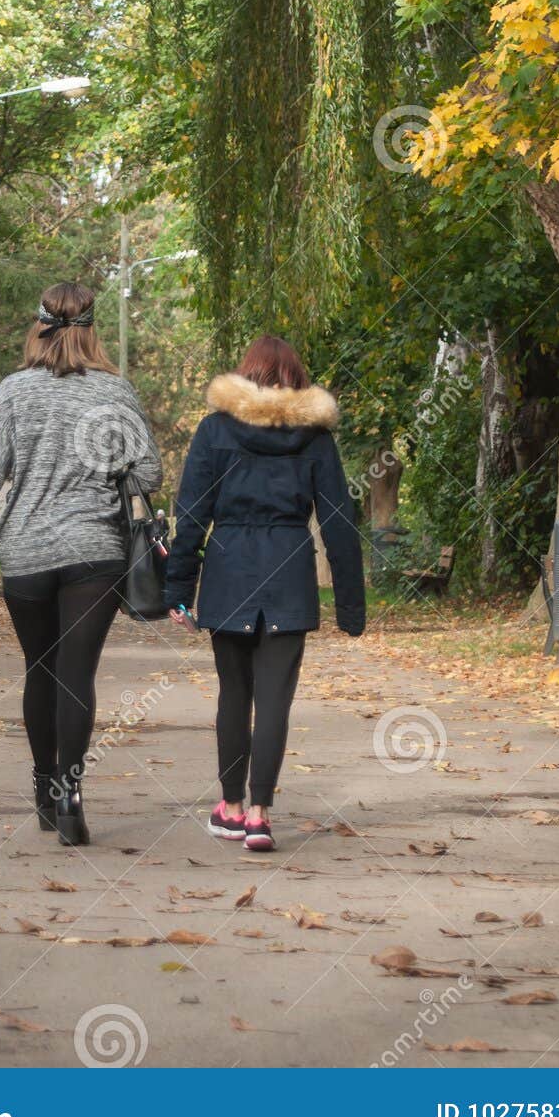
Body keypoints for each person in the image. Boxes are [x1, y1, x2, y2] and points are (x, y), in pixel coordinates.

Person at [0, 282, 161, 845]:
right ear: (93, 329)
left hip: (26, 552)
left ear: (37, 326)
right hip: (95, 551)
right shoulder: (116, 392)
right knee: (76, 675)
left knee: (39, 670)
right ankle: (71, 793)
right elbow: (149, 476)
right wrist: (106, 464)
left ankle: (43, 788)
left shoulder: (13, 392)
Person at [166, 335, 365, 851]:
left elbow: (191, 516)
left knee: (235, 694)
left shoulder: (214, 431)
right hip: (289, 572)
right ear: (295, 381)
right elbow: (339, 522)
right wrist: (350, 605)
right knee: (275, 699)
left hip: (229, 569)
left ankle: (229, 807)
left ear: (246, 376)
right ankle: (259, 815)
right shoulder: (316, 439)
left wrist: (179, 591)